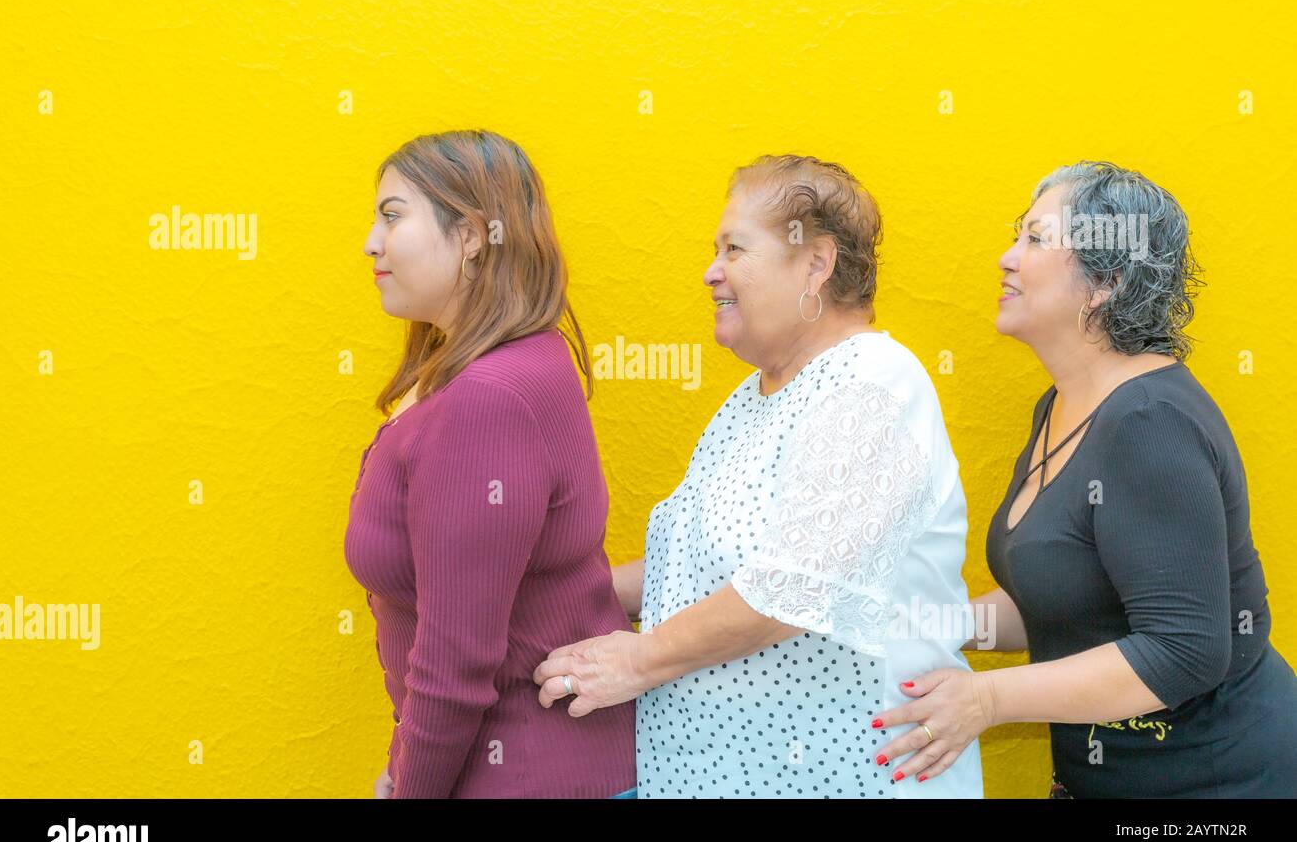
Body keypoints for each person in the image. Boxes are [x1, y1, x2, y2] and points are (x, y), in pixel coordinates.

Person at [532, 154, 983, 797]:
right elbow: (687, 573)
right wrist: (552, 593)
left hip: (843, 779)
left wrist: (638, 659)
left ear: (815, 264)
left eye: (735, 249)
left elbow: (794, 584)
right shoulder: (749, 400)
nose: (711, 272)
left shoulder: (873, 385)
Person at [870, 160, 1297, 797]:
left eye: (1035, 239)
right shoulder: (1063, 406)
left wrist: (986, 699)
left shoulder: (1148, 421)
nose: (1006, 259)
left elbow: (1184, 650)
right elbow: (1065, 602)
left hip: (1218, 786)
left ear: (1106, 282)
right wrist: (925, 624)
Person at [344, 129, 636, 798]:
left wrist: (413, 788)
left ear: (473, 235)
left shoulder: (486, 399)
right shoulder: (522, 358)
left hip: (527, 775)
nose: (370, 242)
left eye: (392, 215)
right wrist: (405, 759)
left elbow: (455, 662)